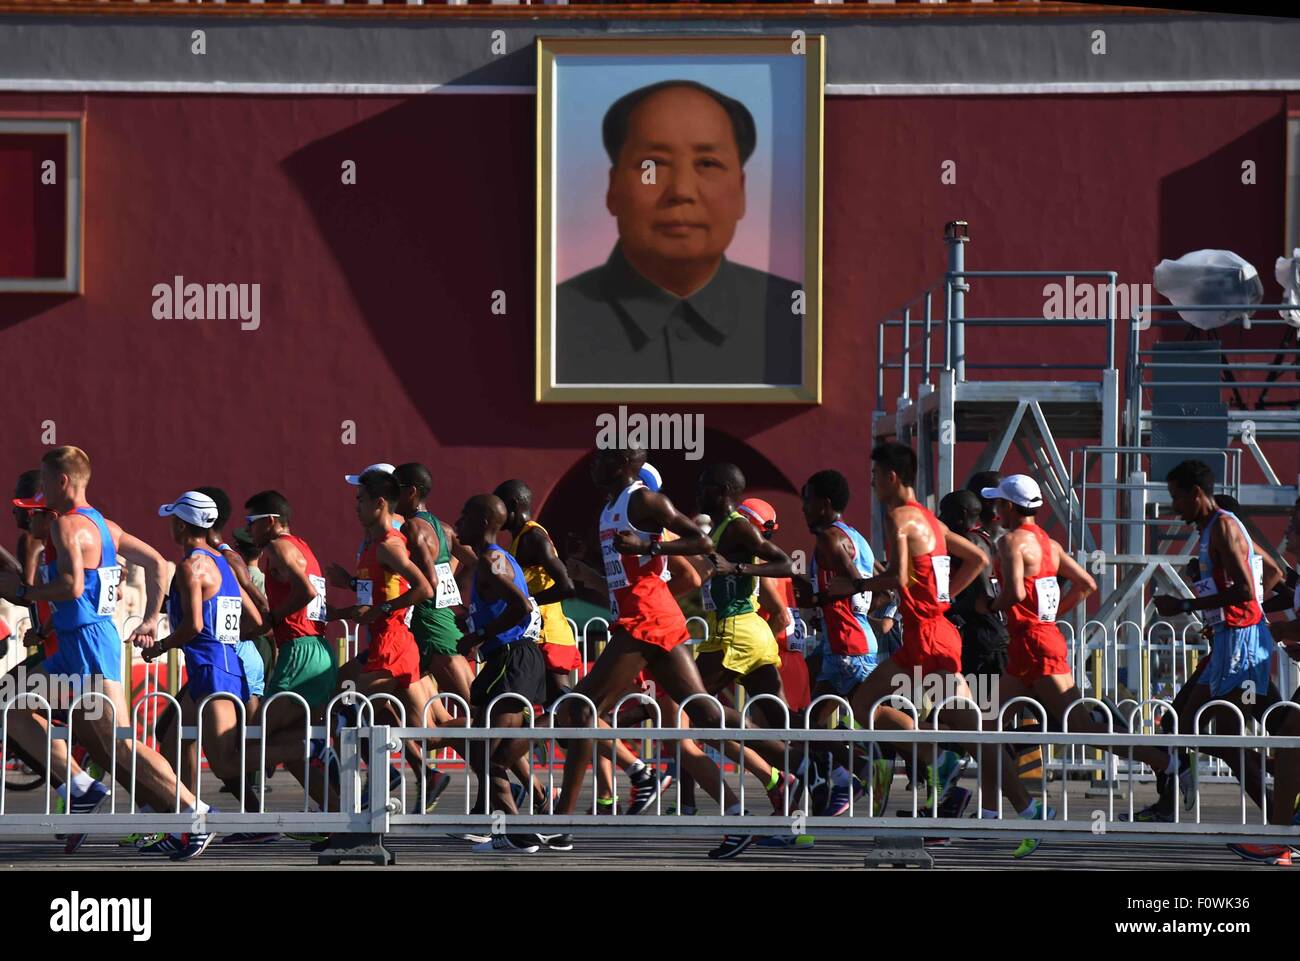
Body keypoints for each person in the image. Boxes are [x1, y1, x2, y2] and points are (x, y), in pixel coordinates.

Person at [551, 447, 792, 860]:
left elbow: (699, 540)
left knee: (581, 710)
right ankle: (754, 800)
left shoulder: (643, 498)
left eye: (602, 458)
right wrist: (589, 564)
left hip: (646, 621)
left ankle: (559, 826)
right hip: (647, 620)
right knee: (703, 715)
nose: (593, 464)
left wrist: (652, 546)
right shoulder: (610, 507)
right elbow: (626, 568)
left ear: (626, 464)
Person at [0, 447, 216, 860]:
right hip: (73, 642)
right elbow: (156, 563)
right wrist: (151, 616)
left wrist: (26, 592)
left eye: (45, 482)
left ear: (62, 482)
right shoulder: (106, 527)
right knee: (11, 701)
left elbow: (72, 588)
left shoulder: (66, 527)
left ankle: (193, 810)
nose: (41, 491)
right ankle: (80, 787)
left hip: (87, 645)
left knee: (119, 745)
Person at [978, 474, 1179, 858]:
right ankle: (997, 813)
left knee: (1082, 727)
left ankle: (1163, 759)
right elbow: (1086, 583)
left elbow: (1016, 592)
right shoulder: (1049, 544)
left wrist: (992, 607)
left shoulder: (1008, 542)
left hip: (1034, 644)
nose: (994, 510)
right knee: (987, 728)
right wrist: (1048, 616)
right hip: (1033, 641)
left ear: (1008, 507)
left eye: (998, 503)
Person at [556, 80, 802, 387]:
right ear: (613, 188)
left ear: (741, 192)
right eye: (653, 165)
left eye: (707, 164)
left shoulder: (800, 321)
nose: (681, 191)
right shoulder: (549, 323)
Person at [141, 491, 261, 813]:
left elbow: (193, 625)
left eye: (173, 521)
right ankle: (186, 815)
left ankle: (295, 752)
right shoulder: (224, 562)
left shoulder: (190, 567)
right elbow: (256, 619)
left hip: (211, 669)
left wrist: (160, 647)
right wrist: (223, 635)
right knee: (172, 738)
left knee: (226, 764)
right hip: (221, 664)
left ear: (181, 526)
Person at [795, 469, 893, 817]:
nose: (803, 509)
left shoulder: (829, 539)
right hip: (844, 643)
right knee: (813, 723)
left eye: (806, 501)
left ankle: (923, 756)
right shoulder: (857, 537)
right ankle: (854, 772)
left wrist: (826, 598)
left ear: (823, 504)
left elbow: (857, 583)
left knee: (874, 714)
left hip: (849, 645)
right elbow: (884, 589)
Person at [737, 497, 811, 716]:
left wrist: (755, 651)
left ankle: (839, 751)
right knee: (786, 740)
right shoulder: (776, 563)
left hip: (779, 661)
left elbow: (781, 617)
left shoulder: (763, 568)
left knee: (772, 741)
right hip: (790, 659)